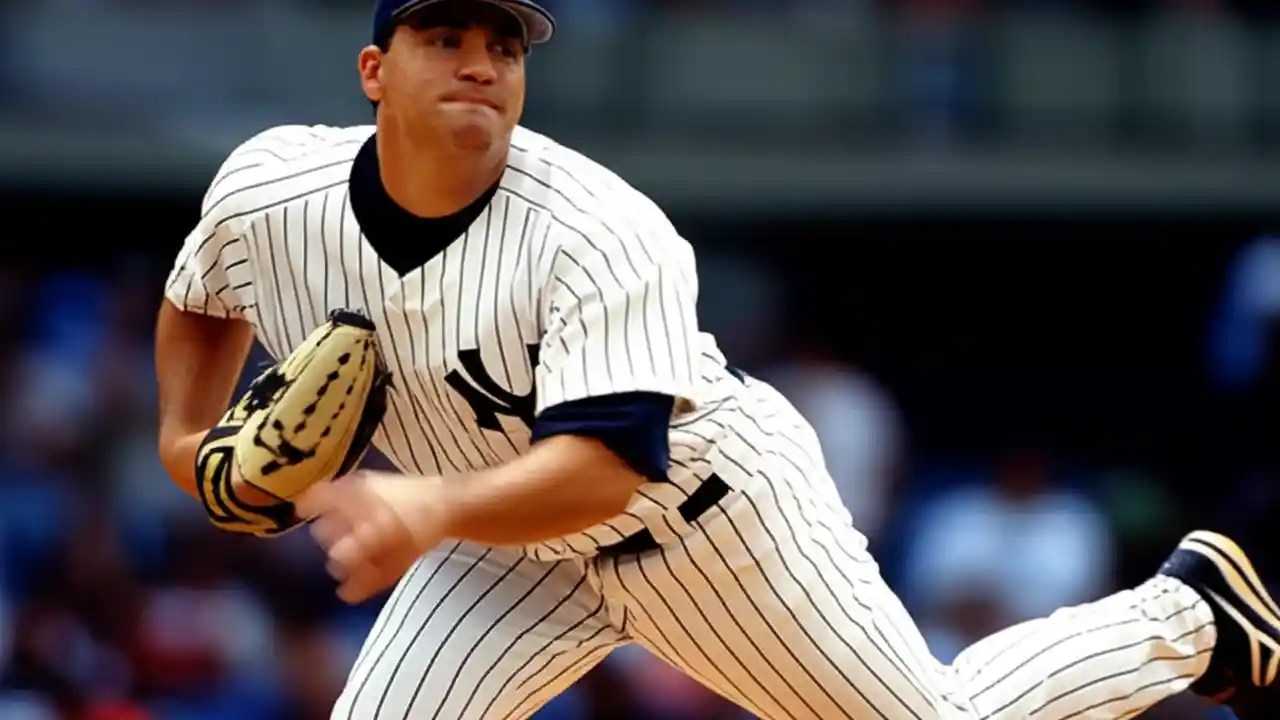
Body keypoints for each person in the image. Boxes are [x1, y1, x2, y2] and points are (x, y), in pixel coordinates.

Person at [153, 1, 1280, 718]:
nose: (480, 63)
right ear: (371, 68)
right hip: (497, 551)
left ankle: (1185, 615)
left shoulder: (597, 226)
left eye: (502, 42)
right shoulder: (271, 188)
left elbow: (605, 468)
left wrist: (424, 509)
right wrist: (184, 436)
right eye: (443, 35)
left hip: (701, 524)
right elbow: (201, 296)